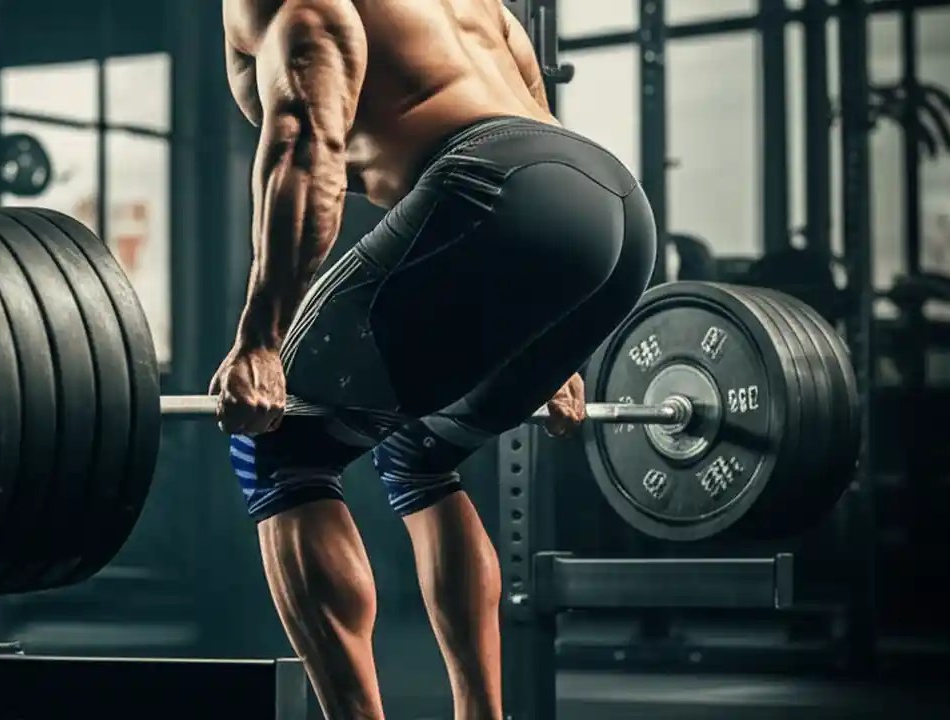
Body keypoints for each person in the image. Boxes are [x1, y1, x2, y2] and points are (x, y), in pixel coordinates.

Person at [211, 1, 656, 717]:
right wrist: (548, 343)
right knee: (420, 454)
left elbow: (309, 150)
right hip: (614, 209)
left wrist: (261, 338)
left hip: (492, 190)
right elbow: (539, 121)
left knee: (277, 447)